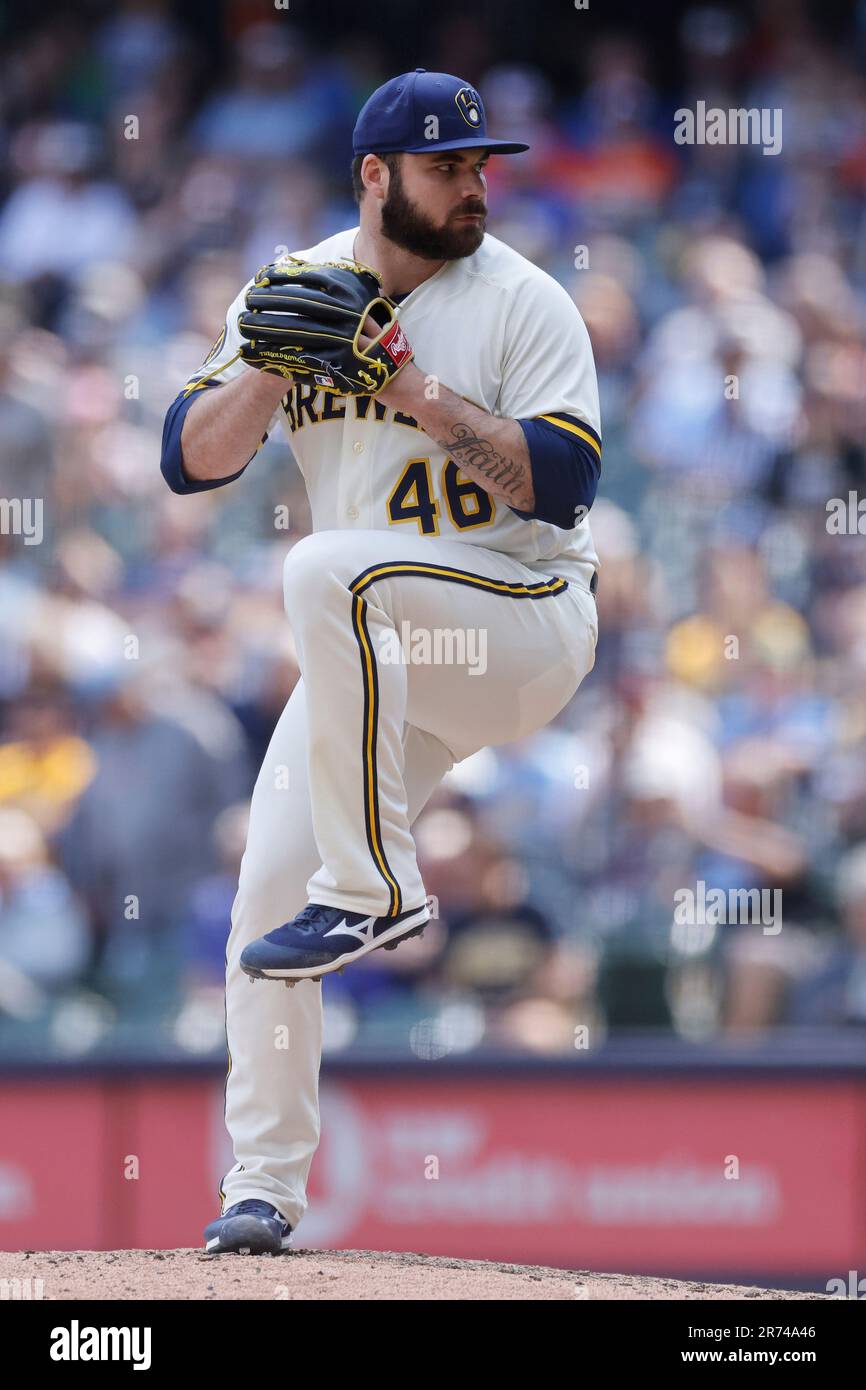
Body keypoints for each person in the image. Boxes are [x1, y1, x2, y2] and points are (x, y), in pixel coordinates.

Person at [160, 69, 602, 1255]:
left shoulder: (520, 299)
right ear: (373, 174)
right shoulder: (294, 286)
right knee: (263, 903)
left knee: (323, 569)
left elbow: (562, 485)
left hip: (518, 618)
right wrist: (266, 361)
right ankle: (262, 1189)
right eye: (447, 165)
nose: (474, 185)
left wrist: (409, 387)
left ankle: (379, 888)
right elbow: (188, 462)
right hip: (375, 659)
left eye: (479, 165)